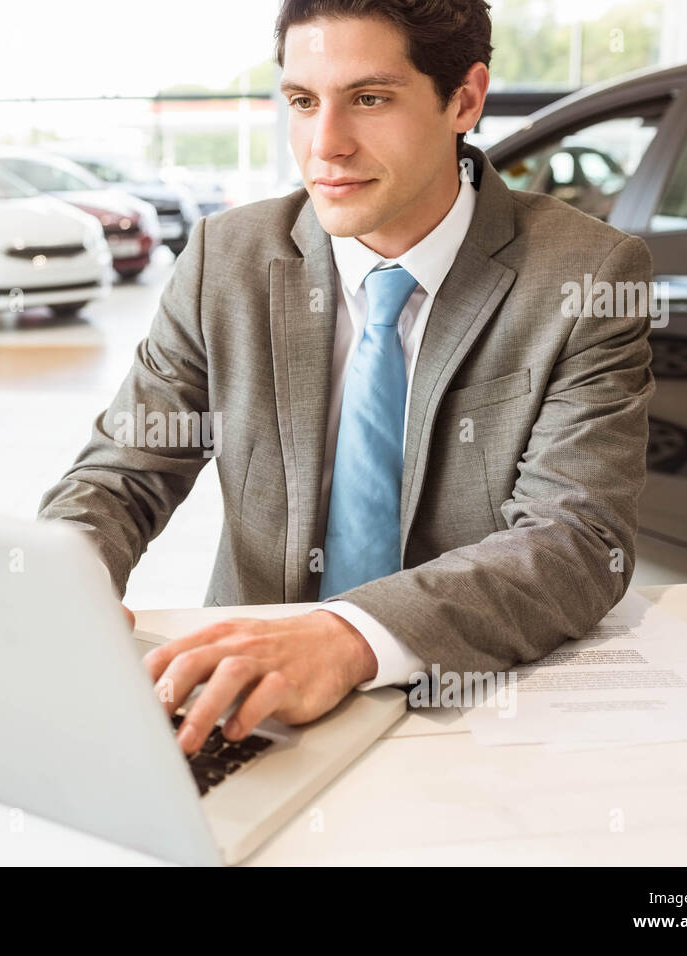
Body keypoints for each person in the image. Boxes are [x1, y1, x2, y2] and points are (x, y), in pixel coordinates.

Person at [38, 0, 654, 756]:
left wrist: (346, 638)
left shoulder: (585, 275)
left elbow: (576, 538)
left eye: (369, 99)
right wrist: (68, 570)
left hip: (465, 701)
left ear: (464, 98)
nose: (324, 146)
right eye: (302, 101)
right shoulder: (224, 259)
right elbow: (125, 471)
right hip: (240, 703)